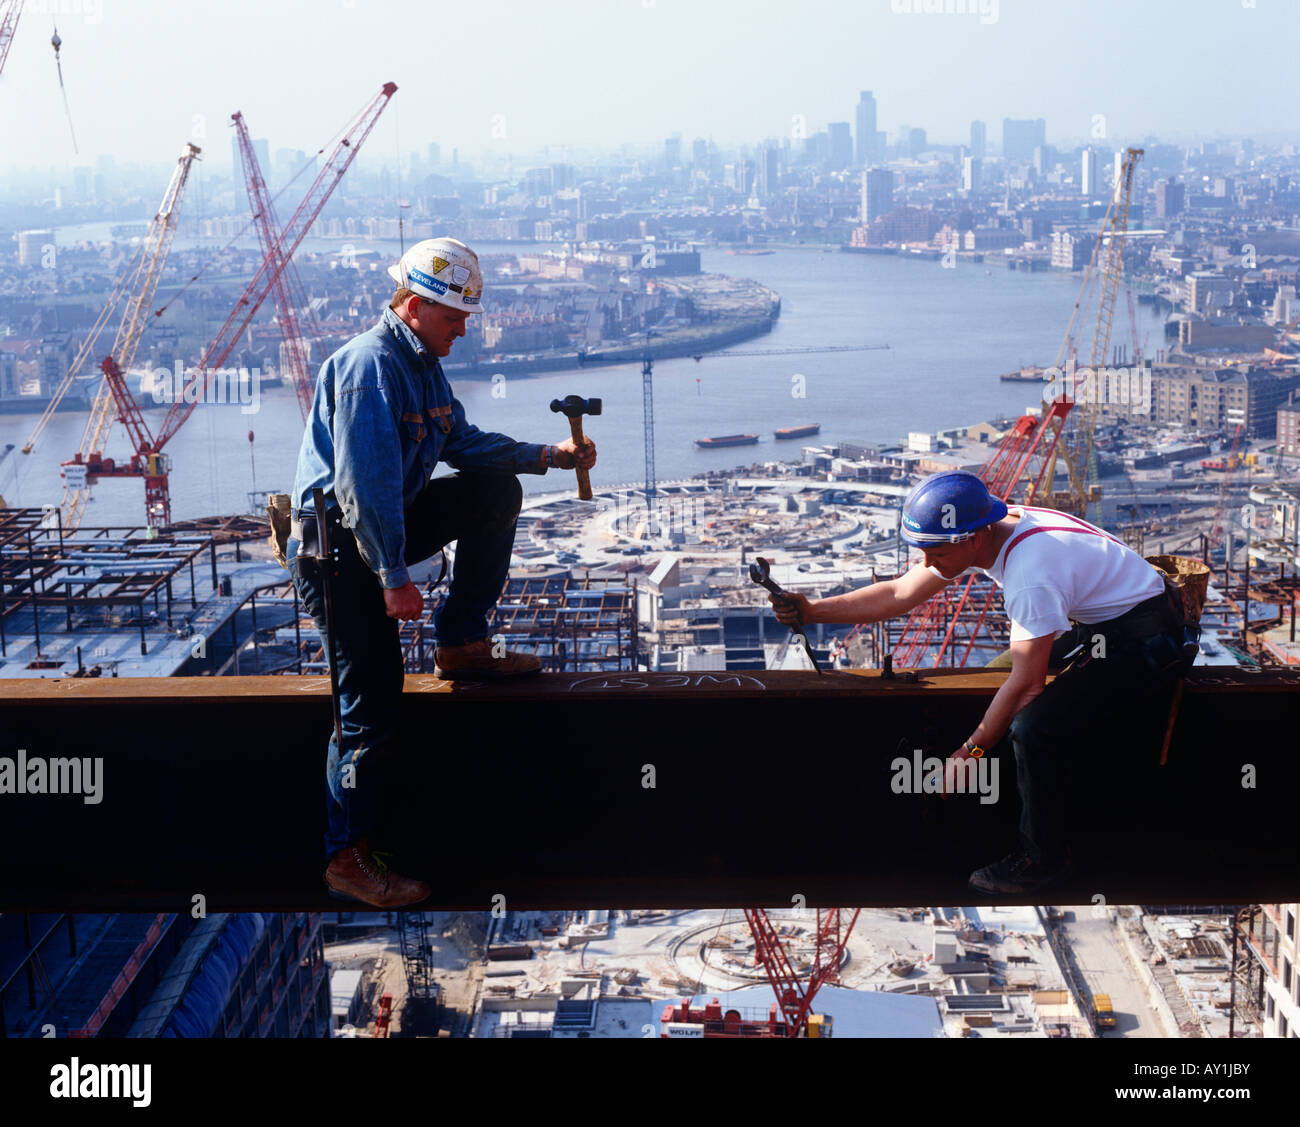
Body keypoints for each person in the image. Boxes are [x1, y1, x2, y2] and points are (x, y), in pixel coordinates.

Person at [286, 237, 598, 908]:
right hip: (341, 547)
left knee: (495, 492)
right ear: (416, 304)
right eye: (454, 316)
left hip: (380, 523)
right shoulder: (372, 368)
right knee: (370, 698)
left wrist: (548, 455)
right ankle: (345, 854)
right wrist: (394, 575)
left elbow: (462, 442)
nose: (463, 329)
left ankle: (460, 641)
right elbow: (363, 487)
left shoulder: (422, 365)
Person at [768, 471, 1194, 895]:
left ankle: (1043, 859)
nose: (927, 564)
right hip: (1109, 622)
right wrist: (813, 610)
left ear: (972, 539)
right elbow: (900, 593)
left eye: (934, 553)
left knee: (1033, 727)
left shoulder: (1029, 573)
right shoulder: (992, 529)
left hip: (1147, 643)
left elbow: (1027, 686)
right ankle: (1021, 794)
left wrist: (968, 751)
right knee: (997, 670)